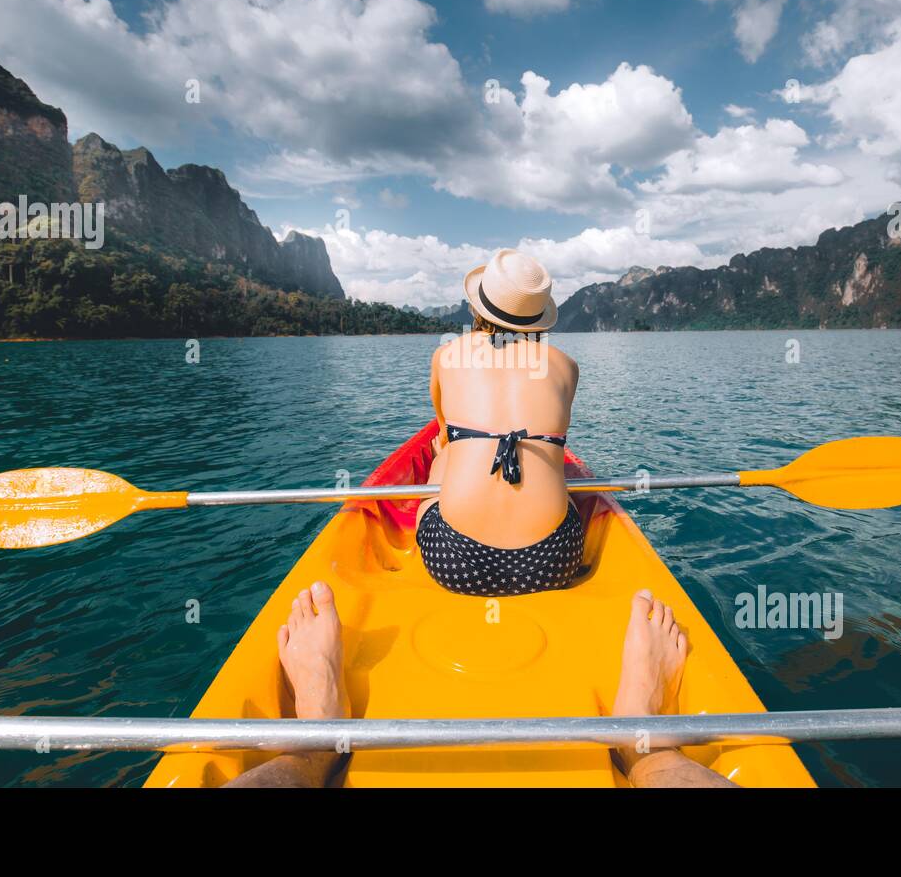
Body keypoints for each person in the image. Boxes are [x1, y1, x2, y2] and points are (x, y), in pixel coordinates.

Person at [225, 581, 737, 788]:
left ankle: (313, 747)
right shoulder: (560, 366)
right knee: (663, 764)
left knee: (296, 765)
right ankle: (650, 754)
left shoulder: (448, 364)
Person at [416, 249, 582, 597]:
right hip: (554, 561)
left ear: (479, 307)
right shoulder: (567, 366)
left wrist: (444, 452)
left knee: (444, 452)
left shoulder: (446, 355)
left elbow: (444, 432)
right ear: (538, 316)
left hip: (453, 561)